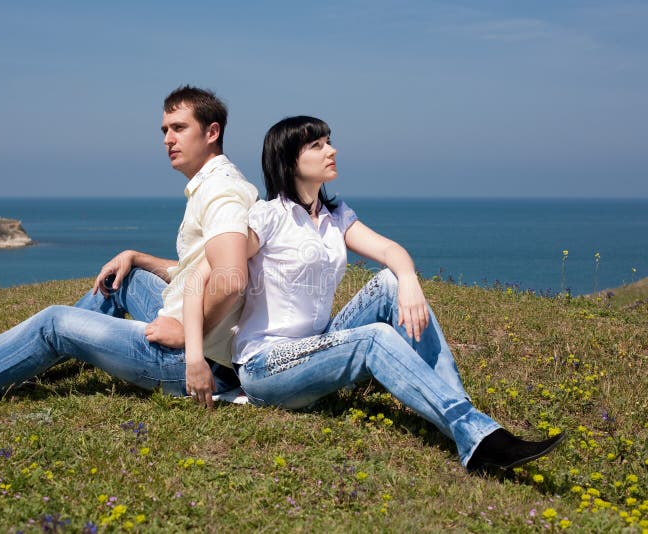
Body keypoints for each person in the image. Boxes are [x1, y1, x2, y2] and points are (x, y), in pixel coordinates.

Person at [183, 116, 563, 471]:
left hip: (317, 347)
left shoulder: (335, 216)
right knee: (374, 338)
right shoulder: (267, 217)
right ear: (288, 159)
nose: (331, 151)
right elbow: (199, 278)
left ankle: (465, 416)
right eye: (316, 145)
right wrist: (195, 358)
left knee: (391, 281)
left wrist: (409, 282)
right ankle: (476, 437)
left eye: (329, 142)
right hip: (267, 366)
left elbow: (390, 252)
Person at [0, 85, 258, 402]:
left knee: (54, 323)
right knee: (121, 279)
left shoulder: (221, 192)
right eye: (164, 130)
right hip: (192, 331)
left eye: (178, 128)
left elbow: (230, 278)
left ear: (211, 132)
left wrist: (188, 338)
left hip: (197, 360)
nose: (167, 140)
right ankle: (32, 359)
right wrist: (136, 256)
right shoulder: (215, 184)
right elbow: (202, 267)